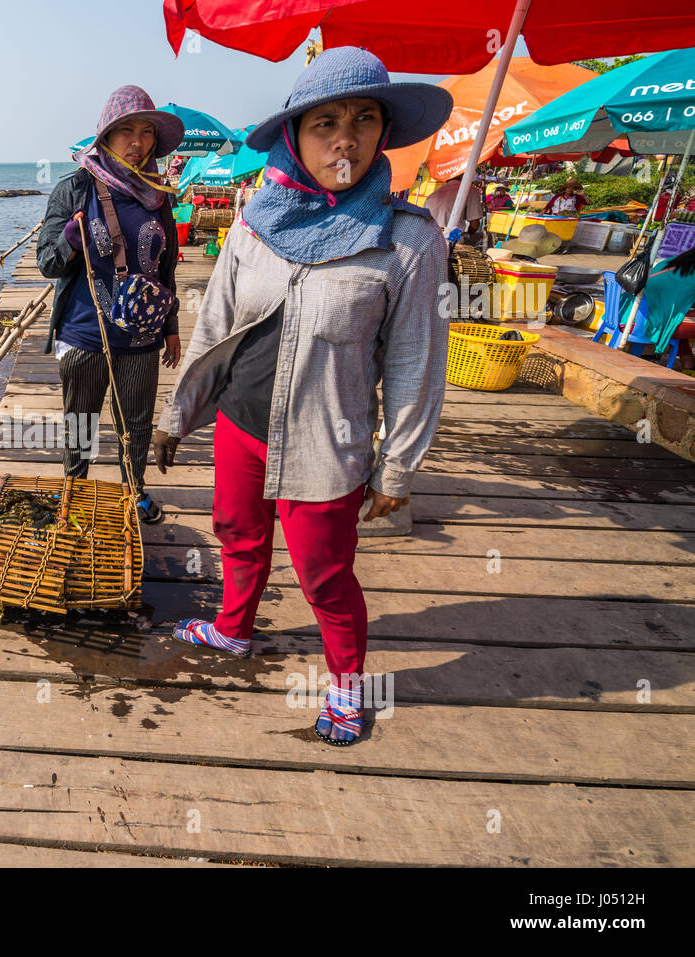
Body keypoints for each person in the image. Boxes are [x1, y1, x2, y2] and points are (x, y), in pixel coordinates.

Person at [151, 47, 452, 746]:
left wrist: (398, 469)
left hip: (326, 441)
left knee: (324, 575)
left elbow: (415, 362)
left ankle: (349, 686)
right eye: (325, 123)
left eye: (363, 119)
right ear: (295, 135)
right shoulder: (258, 219)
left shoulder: (406, 240)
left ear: (384, 132)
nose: (344, 139)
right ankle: (232, 628)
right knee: (237, 534)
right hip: (240, 424)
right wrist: (176, 418)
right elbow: (217, 323)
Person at [37, 85, 184, 524]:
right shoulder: (75, 189)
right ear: (105, 136)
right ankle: (74, 494)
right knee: (81, 425)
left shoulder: (159, 196)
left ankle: (134, 492)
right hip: (85, 333)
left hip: (142, 336)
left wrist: (172, 326)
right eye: (126, 131)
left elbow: (167, 267)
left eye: (145, 133)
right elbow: (46, 263)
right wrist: (69, 239)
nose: (137, 143)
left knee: (136, 426)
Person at [423, 173, 485, 243]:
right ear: (464, 176)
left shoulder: (432, 196)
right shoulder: (471, 190)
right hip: (452, 241)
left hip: (429, 240)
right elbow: (474, 224)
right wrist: (468, 235)